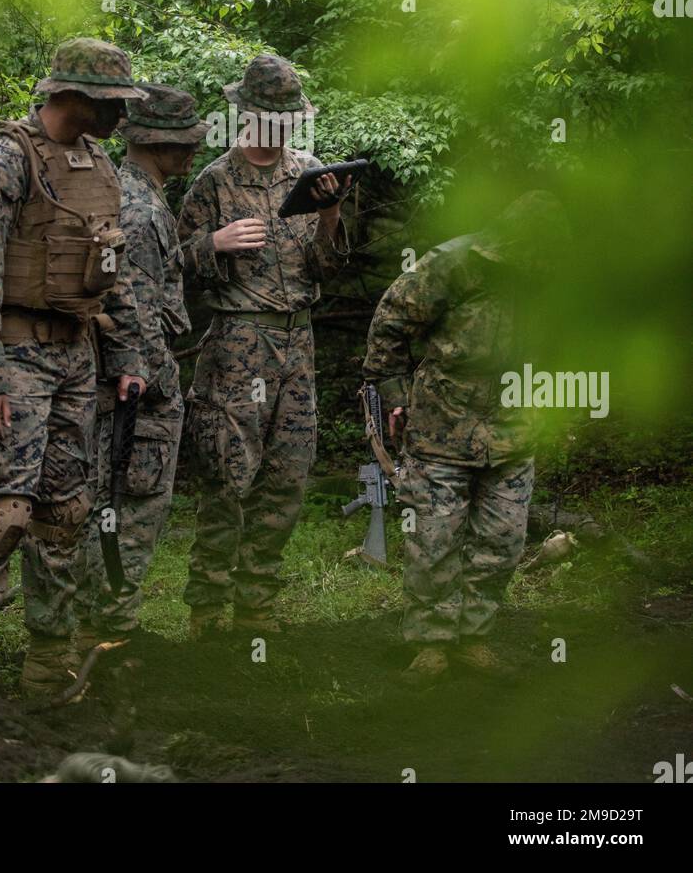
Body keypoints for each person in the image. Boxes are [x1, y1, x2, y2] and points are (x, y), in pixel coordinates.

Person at [0, 38, 148, 696]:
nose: (120, 114)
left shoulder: (95, 160)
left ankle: (49, 659)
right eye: (112, 101)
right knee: (9, 512)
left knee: (65, 511)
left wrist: (127, 354)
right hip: (11, 354)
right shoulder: (1, 160)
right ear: (73, 95)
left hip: (74, 352)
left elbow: (114, 267)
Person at [177, 54, 350, 638]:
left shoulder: (309, 174)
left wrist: (330, 215)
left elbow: (326, 268)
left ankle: (257, 603)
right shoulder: (213, 182)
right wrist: (213, 243)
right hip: (237, 342)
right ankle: (207, 608)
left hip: (297, 342)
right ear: (246, 115)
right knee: (227, 476)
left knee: (286, 475)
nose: (283, 129)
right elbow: (172, 268)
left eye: (290, 119)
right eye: (271, 117)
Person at [362, 190, 568, 679]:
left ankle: (474, 638)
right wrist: (393, 394)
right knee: (433, 541)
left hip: (515, 426)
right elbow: (390, 322)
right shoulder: (453, 262)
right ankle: (432, 644)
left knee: (502, 541)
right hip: (442, 425)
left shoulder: (553, 273)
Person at [77, 85, 209, 648]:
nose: (195, 153)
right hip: (137, 388)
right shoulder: (138, 206)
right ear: (162, 145)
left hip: (128, 379)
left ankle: (103, 623)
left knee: (117, 501)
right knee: (131, 506)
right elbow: (133, 305)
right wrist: (156, 384)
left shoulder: (129, 192)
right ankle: (110, 628)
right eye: (187, 143)